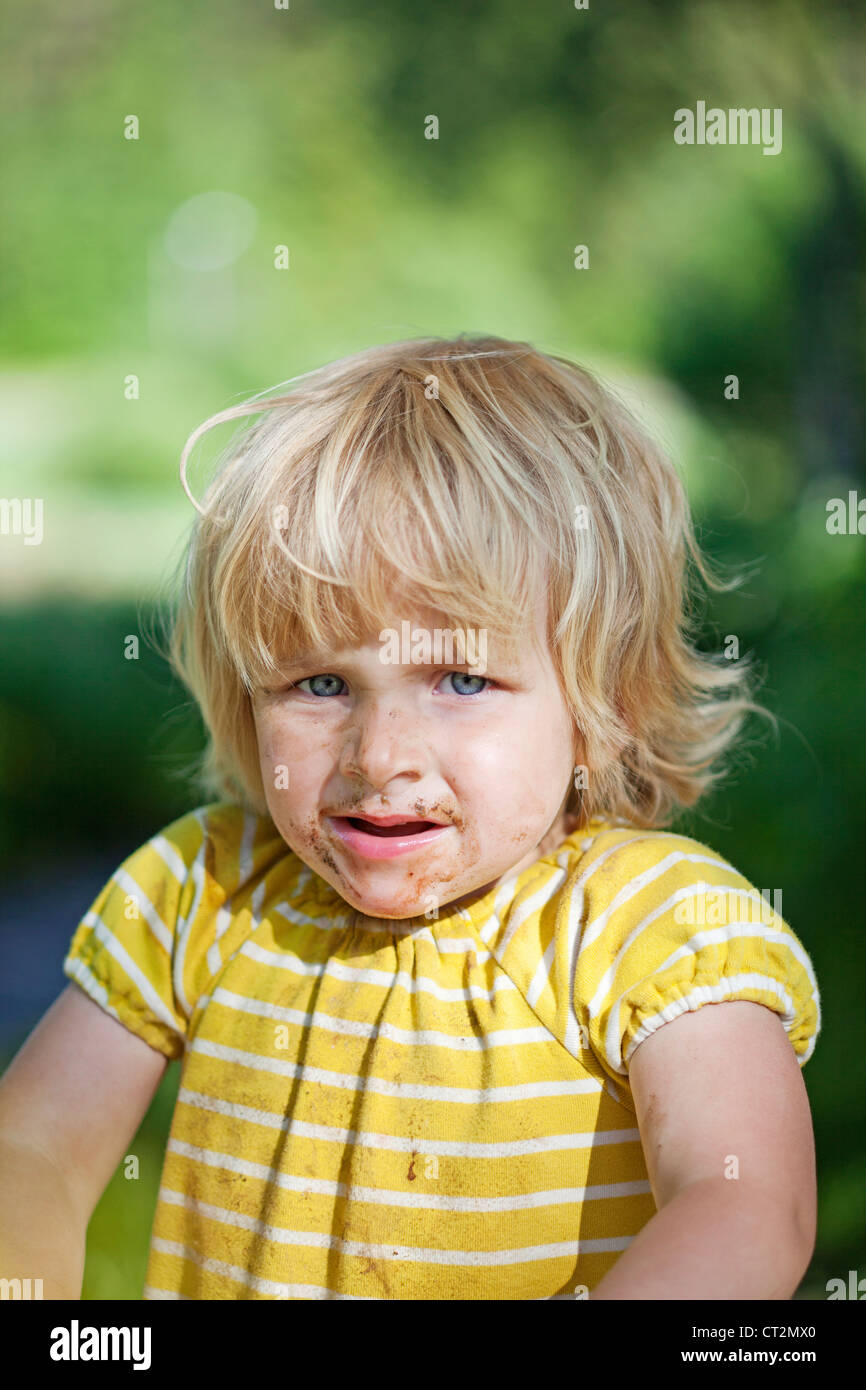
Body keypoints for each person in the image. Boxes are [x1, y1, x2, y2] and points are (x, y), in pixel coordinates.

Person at [0, 335, 819, 1300]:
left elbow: (744, 1205)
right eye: (320, 683)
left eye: (461, 680)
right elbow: (34, 1150)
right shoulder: (203, 890)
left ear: (609, 706)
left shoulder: (653, 928)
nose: (379, 754)